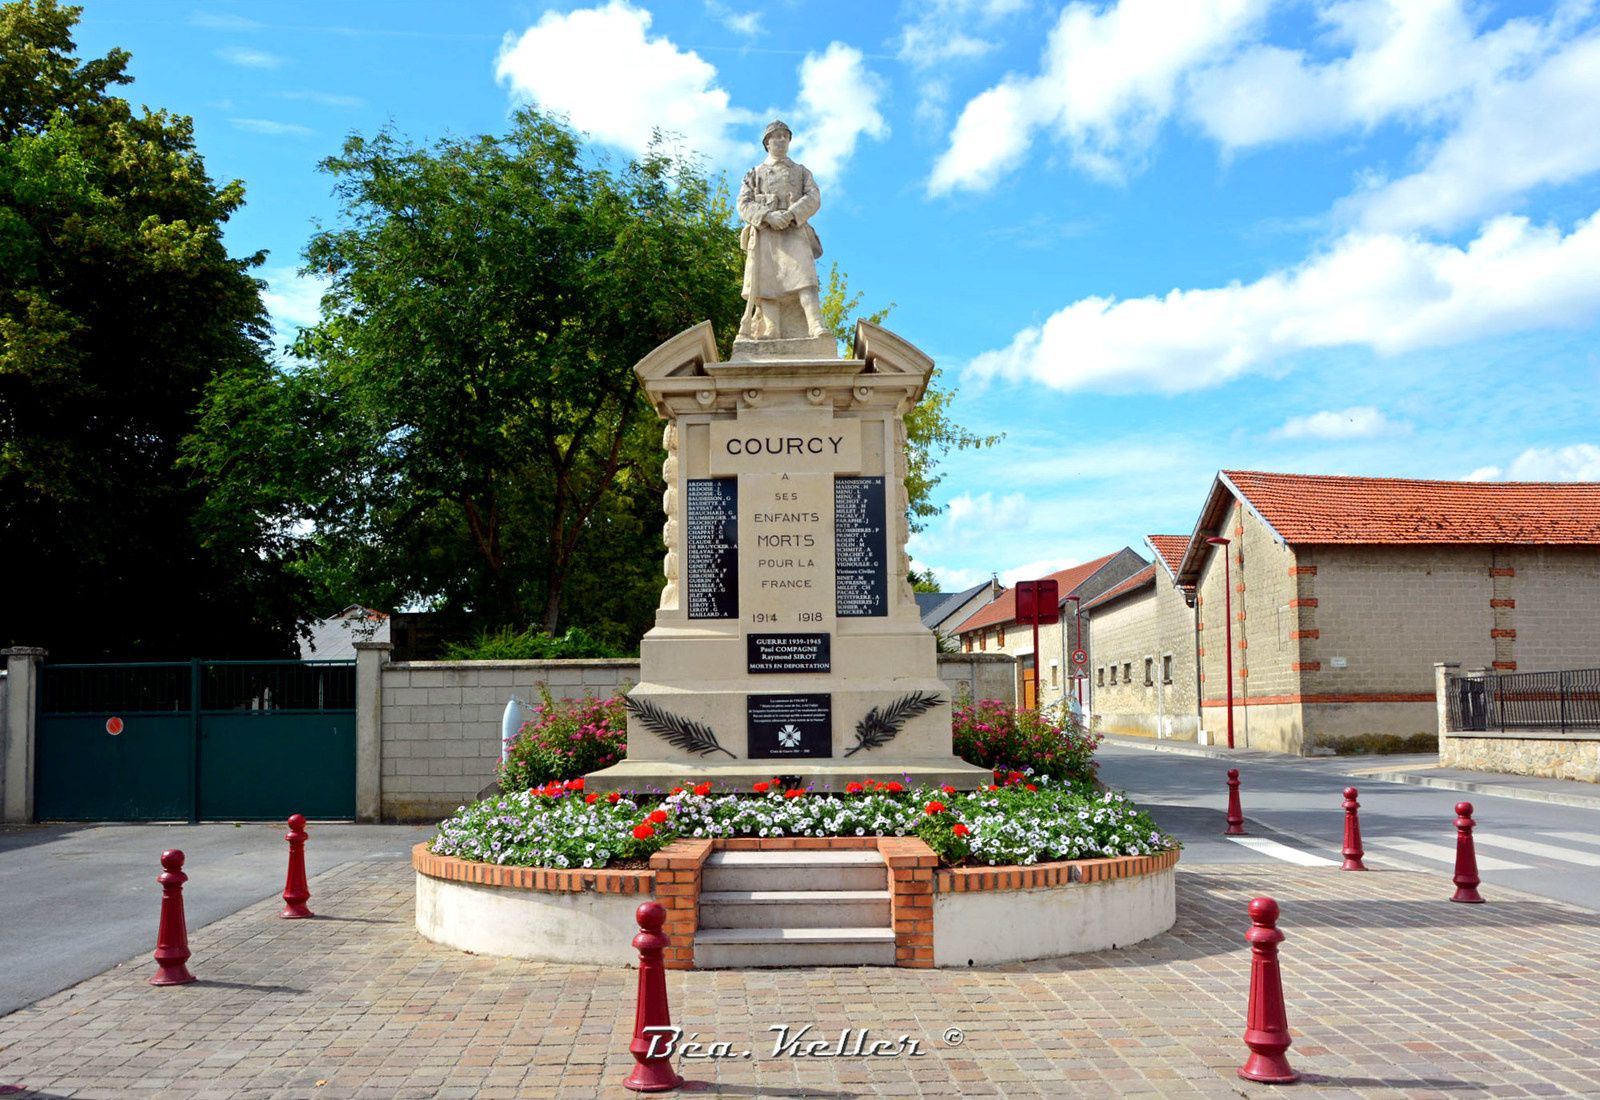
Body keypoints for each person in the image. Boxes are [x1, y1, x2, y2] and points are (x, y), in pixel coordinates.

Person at [737, 120, 827, 340]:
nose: (780, 140)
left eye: (784, 136)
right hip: (765, 233)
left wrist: (791, 214)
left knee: (805, 277)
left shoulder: (801, 171)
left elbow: (814, 197)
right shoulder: (754, 174)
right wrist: (767, 216)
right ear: (767, 143)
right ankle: (771, 328)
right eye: (775, 136)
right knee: (767, 282)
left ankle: (814, 324)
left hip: (794, 230)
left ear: (788, 141)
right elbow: (743, 203)